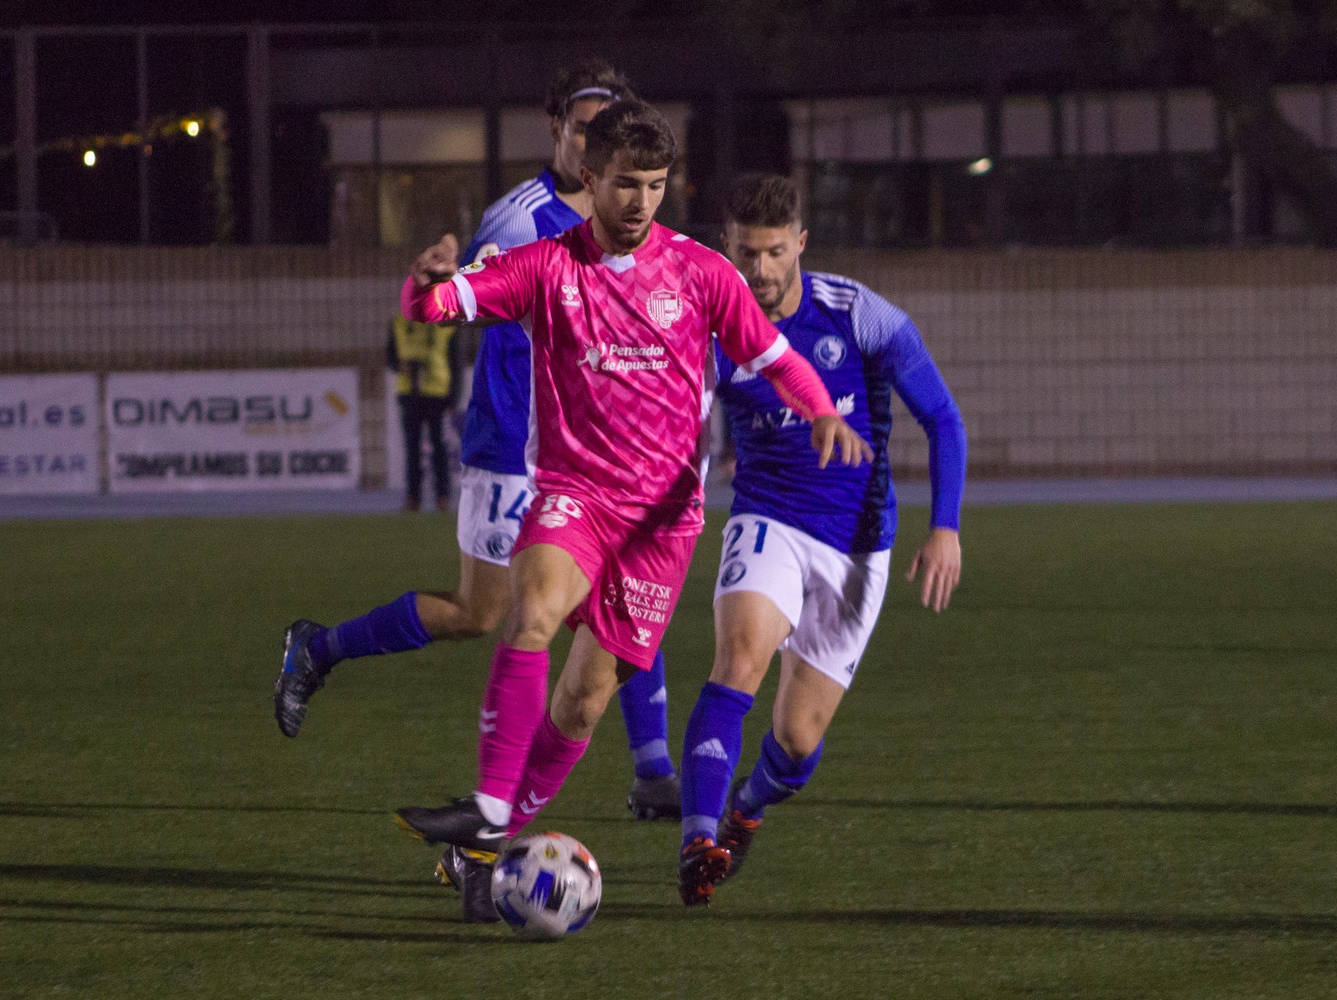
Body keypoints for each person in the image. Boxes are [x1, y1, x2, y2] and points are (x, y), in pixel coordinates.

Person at [390, 102, 873, 922]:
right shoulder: (543, 267)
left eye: (654, 185)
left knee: (581, 703)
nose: (641, 201)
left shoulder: (700, 273)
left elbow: (776, 358)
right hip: (574, 497)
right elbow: (433, 309)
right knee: (533, 611)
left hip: (662, 527)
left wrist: (822, 408)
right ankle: (492, 809)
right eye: (625, 184)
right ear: (591, 179)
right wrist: (424, 279)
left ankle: (484, 844)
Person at [274, 61, 681, 822]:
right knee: (478, 613)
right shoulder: (518, 219)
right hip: (513, 447)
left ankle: (653, 774)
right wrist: (435, 281)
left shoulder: (637, 225)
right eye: (584, 128)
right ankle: (319, 648)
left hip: (596, 460)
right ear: (557, 130)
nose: (595, 142)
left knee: (628, 596)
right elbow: (463, 301)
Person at [675, 173, 967, 906]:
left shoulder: (857, 312)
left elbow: (943, 419)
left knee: (798, 739)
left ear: (801, 242)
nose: (761, 269)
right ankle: (697, 839)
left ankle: (746, 810)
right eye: (747, 253)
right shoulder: (710, 331)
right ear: (726, 247)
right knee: (739, 658)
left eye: (776, 252)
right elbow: (681, 431)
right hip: (766, 517)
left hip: (858, 543)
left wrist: (945, 527)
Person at [388, 311, 459, 512]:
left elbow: (455, 359)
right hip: (409, 391)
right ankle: (413, 497)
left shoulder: (446, 321)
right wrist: (399, 365)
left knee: (439, 447)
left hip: (437, 392)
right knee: (412, 448)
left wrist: (454, 394)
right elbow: (391, 355)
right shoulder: (399, 322)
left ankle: (443, 496)